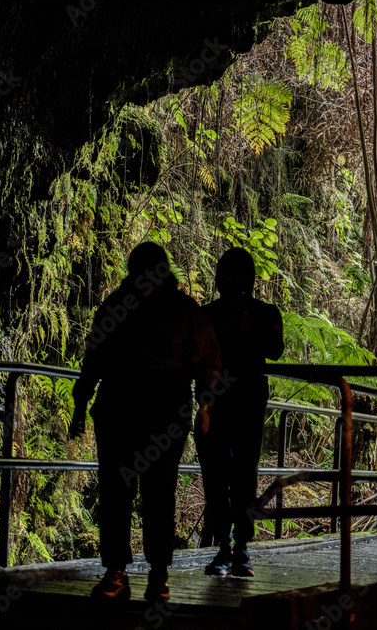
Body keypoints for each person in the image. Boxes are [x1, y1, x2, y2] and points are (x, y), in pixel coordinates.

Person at [69, 242, 221, 602]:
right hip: (128, 407)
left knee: (156, 492)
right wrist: (80, 403)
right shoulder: (162, 308)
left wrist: (206, 405)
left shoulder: (174, 310)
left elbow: (207, 363)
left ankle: (155, 573)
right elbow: (94, 358)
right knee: (120, 491)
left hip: (157, 410)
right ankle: (120, 571)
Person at [196, 248, 284, 577]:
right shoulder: (207, 315)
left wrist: (248, 329)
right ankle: (226, 547)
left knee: (244, 475)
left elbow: (275, 350)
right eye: (227, 275)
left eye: (237, 275)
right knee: (216, 477)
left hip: (246, 404)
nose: (231, 282)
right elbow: (195, 359)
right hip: (214, 405)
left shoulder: (265, 313)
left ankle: (240, 548)